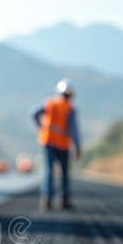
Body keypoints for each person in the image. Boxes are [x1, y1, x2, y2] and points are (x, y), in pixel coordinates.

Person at [33, 79, 81, 211]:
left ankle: (46, 200)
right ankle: (64, 200)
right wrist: (77, 147)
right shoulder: (69, 108)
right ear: (70, 95)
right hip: (63, 144)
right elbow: (74, 130)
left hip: (47, 141)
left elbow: (34, 113)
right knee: (64, 173)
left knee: (49, 171)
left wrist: (41, 127)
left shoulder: (50, 103)